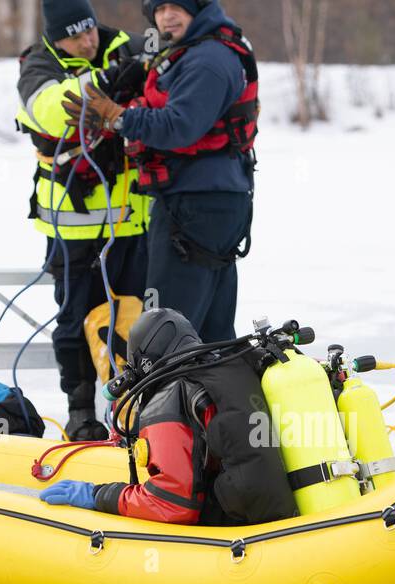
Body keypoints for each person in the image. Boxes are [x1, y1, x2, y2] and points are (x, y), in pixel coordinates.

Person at [72, 0, 257, 344]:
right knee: (211, 334)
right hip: (209, 201)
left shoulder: (208, 60)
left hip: (194, 207)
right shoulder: (194, 52)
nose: (166, 16)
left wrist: (119, 116)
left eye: (177, 5)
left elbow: (181, 125)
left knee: (163, 330)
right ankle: (214, 393)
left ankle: (165, 395)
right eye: (158, 8)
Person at [17, 0, 151, 441]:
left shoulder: (124, 45)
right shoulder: (38, 64)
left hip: (131, 220)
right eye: (75, 36)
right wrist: (109, 81)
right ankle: (81, 414)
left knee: (136, 320)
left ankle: (136, 410)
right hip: (71, 226)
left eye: (90, 30)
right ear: (55, 38)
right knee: (74, 320)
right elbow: (52, 109)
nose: (87, 41)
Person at [39, 308, 296, 525]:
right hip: (295, 510)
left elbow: (171, 503)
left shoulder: (169, 397)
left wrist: (97, 496)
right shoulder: (235, 367)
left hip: (237, 528)